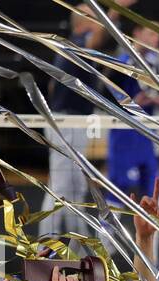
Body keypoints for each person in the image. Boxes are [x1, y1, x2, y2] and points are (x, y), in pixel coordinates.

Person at [43, 5, 110, 243]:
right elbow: (100, 36)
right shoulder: (76, 43)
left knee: (73, 187)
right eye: (93, 17)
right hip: (66, 122)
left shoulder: (70, 46)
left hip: (71, 121)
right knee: (62, 186)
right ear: (81, 24)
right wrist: (113, 12)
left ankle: (77, 242)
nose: (98, 23)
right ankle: (46, 242)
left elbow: (52, 86)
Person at [107, 25, 159, 204]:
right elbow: (105, 93)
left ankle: (155, 230)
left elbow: (158, 95)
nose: (156, 38)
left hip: (147, 132)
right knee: (119, 186)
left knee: (152, 185)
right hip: (125, 131)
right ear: (136, 33)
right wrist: (130, 101)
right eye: (151, 32)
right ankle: (107, 231)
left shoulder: (154, 62)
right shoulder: (121, 62)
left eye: (158, 35)